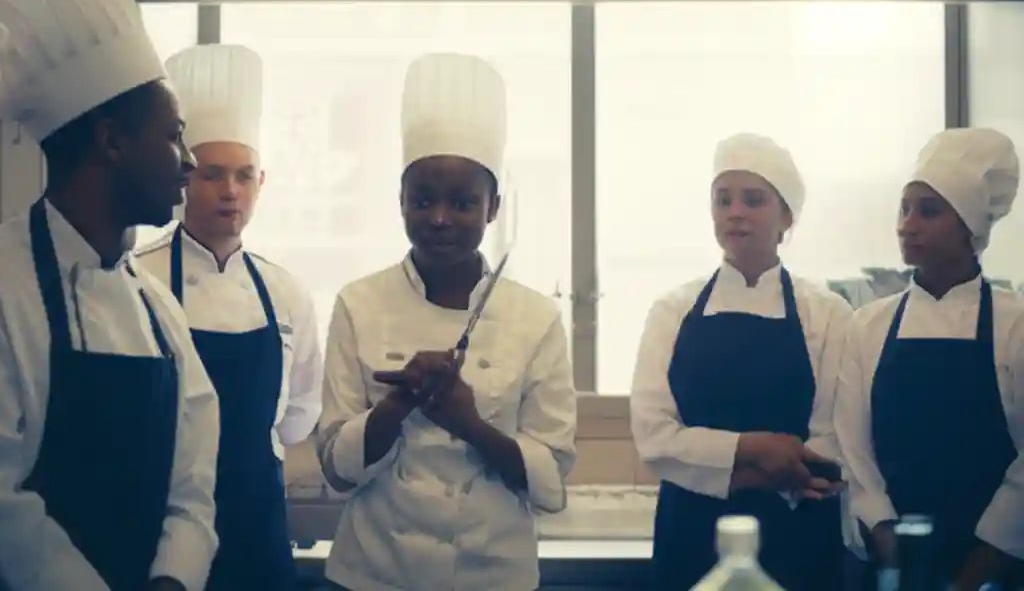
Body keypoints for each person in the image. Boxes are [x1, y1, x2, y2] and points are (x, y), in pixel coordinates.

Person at [0, 0, 219, 591]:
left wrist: (171, 580)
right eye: (174, 133)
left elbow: (192, 486)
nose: (190, 160)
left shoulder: (156, 310)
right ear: (112, 140)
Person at [316, 52, 577, 591]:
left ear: (493, 207)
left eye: (462, 202)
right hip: (372, 573)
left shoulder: (537, 317)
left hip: (493, 576)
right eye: (423, 200)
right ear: (401, 202)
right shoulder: (358, 302)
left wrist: (468, 423)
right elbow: (336, 469)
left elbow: (551, 482)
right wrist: (397, 404)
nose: (440, 218)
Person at [630, 133, 851, 591]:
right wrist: (759, 451)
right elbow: (655, 436)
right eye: (723, 199)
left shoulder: (826, 313)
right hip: (691, 536)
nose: (735, 212)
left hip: (797, 535)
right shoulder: (672, 309)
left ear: (786, 216)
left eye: (753, 200)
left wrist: (746, 471)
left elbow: (833, 435)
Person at [137, 44, 322, 591]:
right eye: (213, 174)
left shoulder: (284, 292)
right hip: (161, 526)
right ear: (184, 179)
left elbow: (299, 417)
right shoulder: (139, 279)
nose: (230, 191)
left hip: (258, 529)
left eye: (244, 176)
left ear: (261, 183)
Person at [836, 128, 1024, 590]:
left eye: (928, 210)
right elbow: (854, 456)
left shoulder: (1015, 325)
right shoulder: (867, 326)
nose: (906, 225)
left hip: (995, 570)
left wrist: (969, 578)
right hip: (893, 568)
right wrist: (895, 553)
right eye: (904, 208)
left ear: (970, 227)